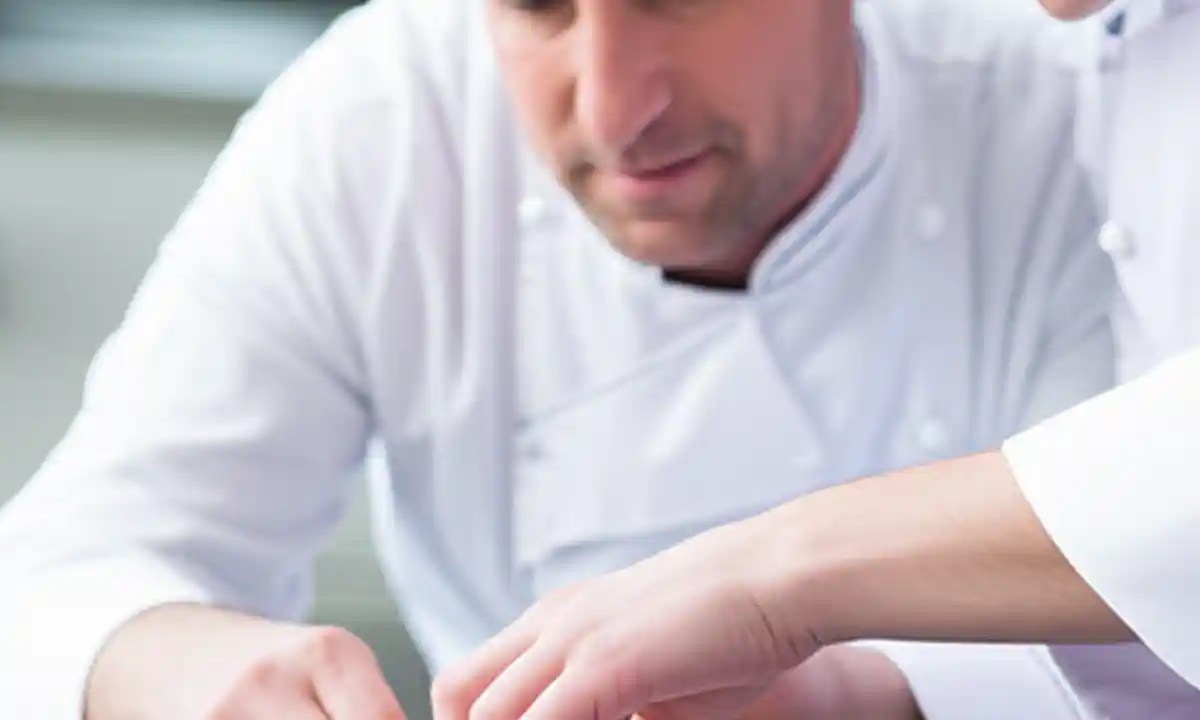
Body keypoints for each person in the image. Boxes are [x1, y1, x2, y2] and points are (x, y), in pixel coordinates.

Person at [0, 0, 1115, 718]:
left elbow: (1154, 594)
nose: (612, 110)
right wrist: (173, 669)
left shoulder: (1066, 104)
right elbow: (22, 597)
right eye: (535, 6)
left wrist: (876, 696)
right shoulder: (381, 123)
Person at [432, 1, 1200, 718]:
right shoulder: (1122, 43)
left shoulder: (1020, 83)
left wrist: (780, 574)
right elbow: (1165, 595)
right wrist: (857, 689)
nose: (612, 116)